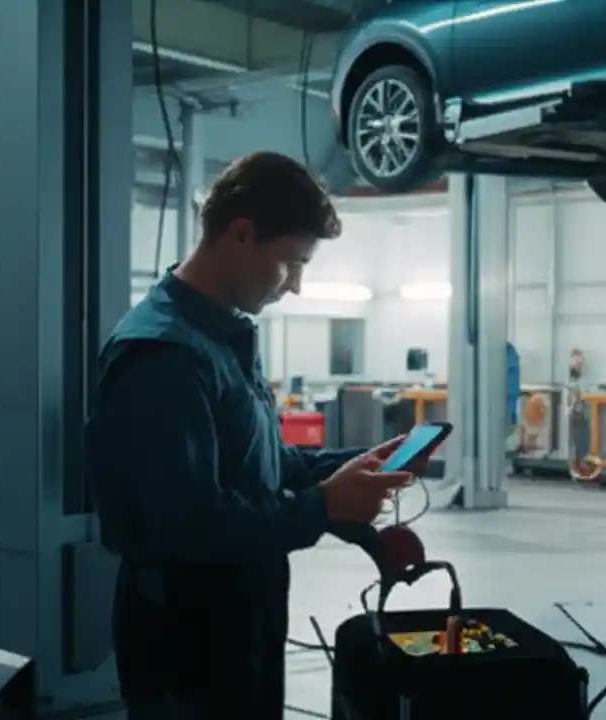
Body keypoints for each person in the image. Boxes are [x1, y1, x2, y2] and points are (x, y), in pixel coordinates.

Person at [86, 152, 415, 719]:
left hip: (241, 614)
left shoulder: (220, 338)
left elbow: (261, 466)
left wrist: (353, 466)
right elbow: (187, 522)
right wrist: (323, 506)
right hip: (185, 637)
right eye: (291, 262)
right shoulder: (163, 354)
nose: (295, 286)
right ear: (241, 235)